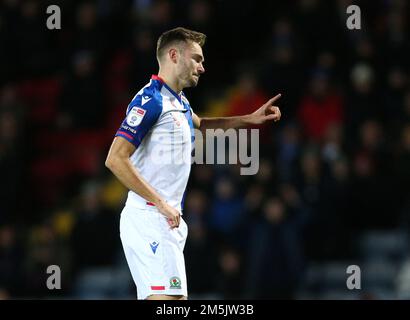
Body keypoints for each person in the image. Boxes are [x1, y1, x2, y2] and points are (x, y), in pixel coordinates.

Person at [105, 27, 282, 300]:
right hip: (149, 217)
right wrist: (160, 203)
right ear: (174, 55)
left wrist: (249, 118)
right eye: (197, 59)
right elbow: (115, 159)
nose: (202, 67)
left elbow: (202, 124)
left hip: (167, 219)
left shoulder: (179, 102)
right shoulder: (150, 100)